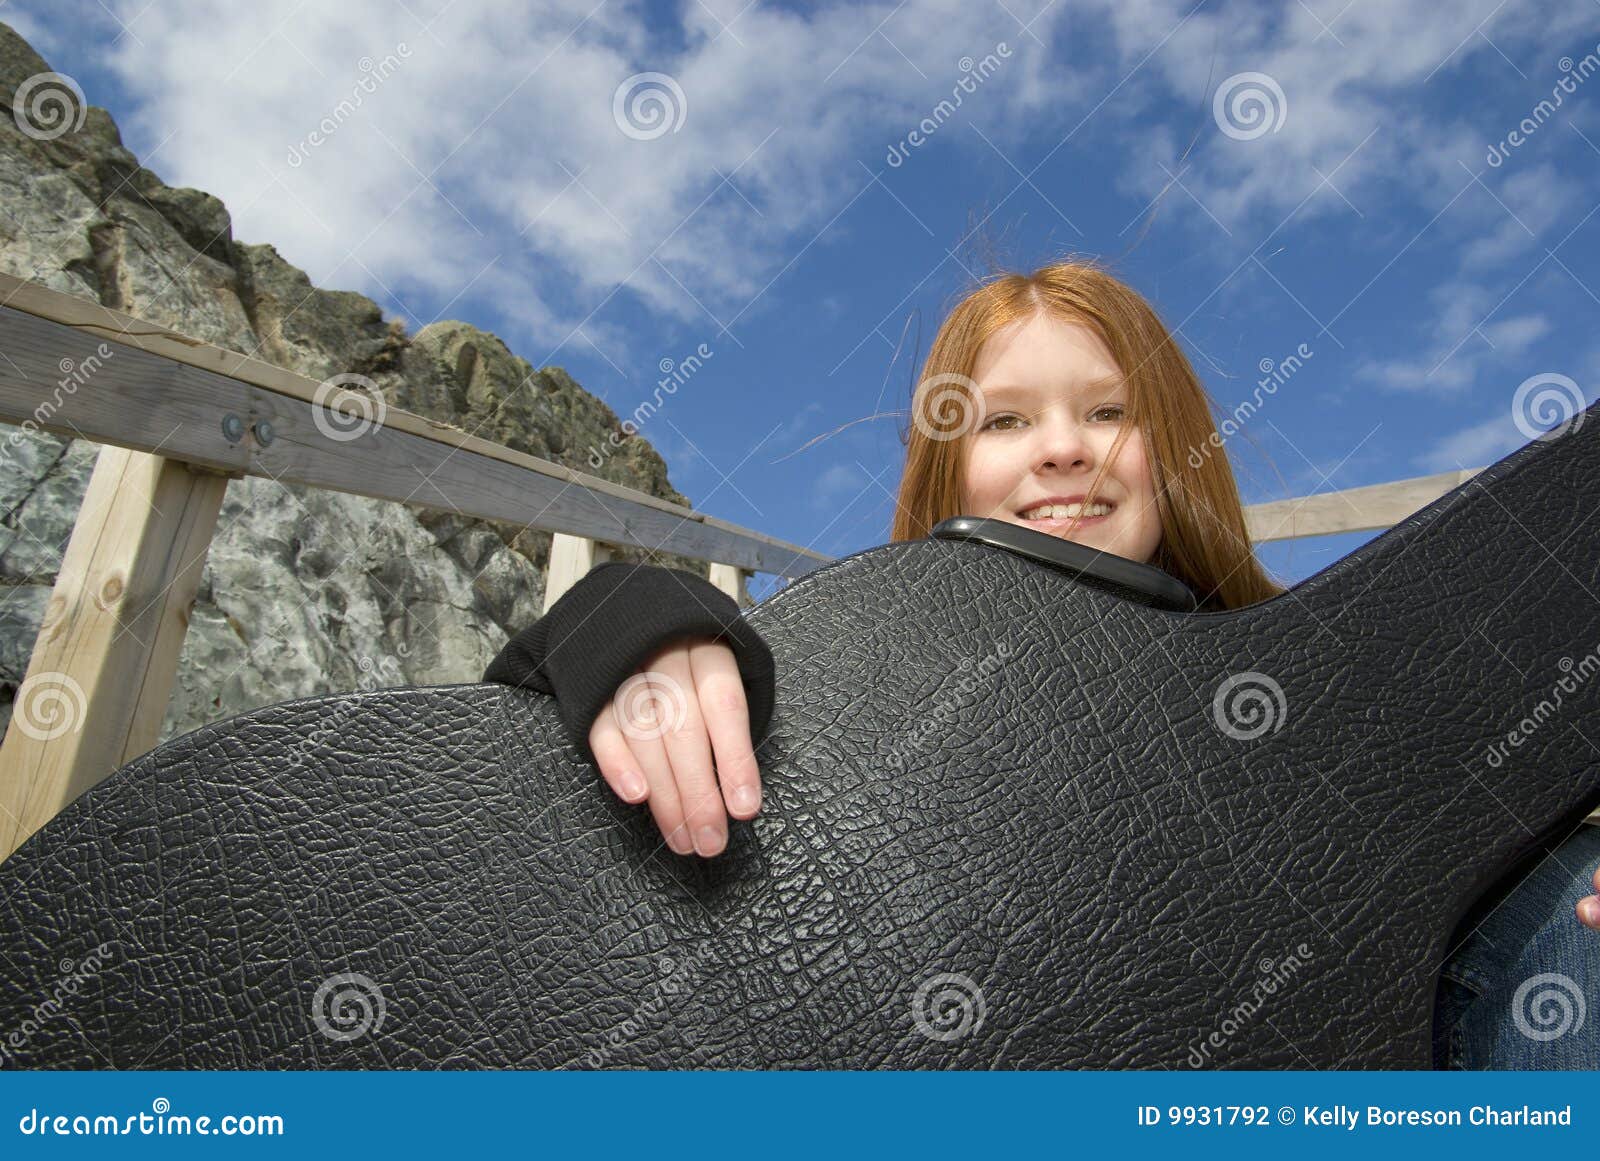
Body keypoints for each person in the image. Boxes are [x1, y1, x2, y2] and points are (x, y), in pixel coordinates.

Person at [484, 258, 1600, 1069]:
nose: (1064, 446)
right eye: (1005, 422)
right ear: (946, 466)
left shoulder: (1318, 705)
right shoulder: (872, 701)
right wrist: (632, 622)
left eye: (1110, 411)